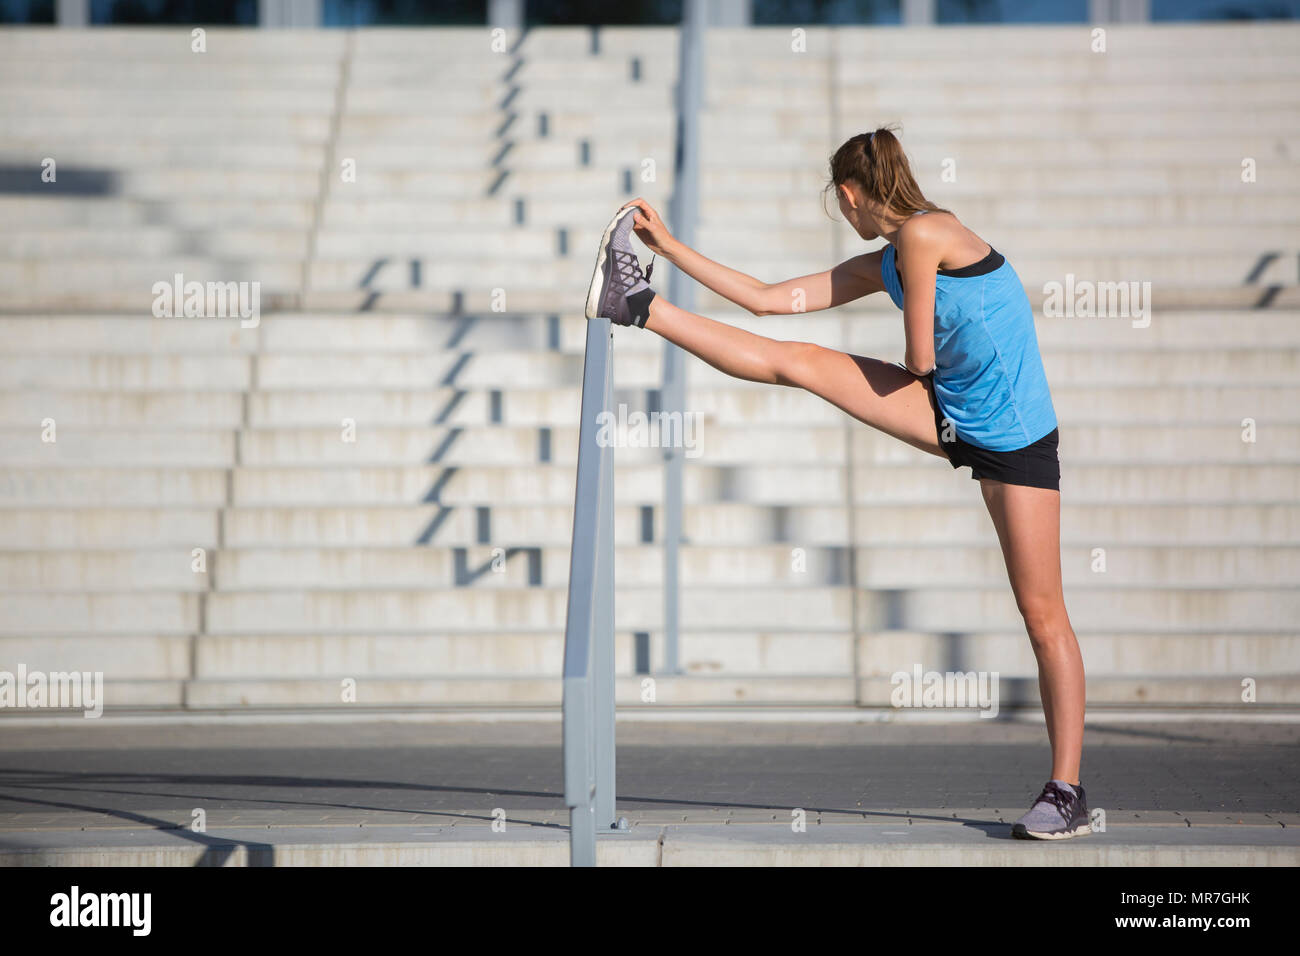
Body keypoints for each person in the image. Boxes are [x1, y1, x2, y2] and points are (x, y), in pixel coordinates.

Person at [584, 125, 1090, 840]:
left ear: (850, 195)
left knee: (1044, 617)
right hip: (957, 409)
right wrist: (670, 249)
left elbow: (917, 358)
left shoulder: (925, 237)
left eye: (839, 203)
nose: (842, 214)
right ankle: (636, 302)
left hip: (1016, 439)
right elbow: (766, 299)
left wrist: (907, 349)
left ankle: (1067, 791)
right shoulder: (887, 259)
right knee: (798, 360)